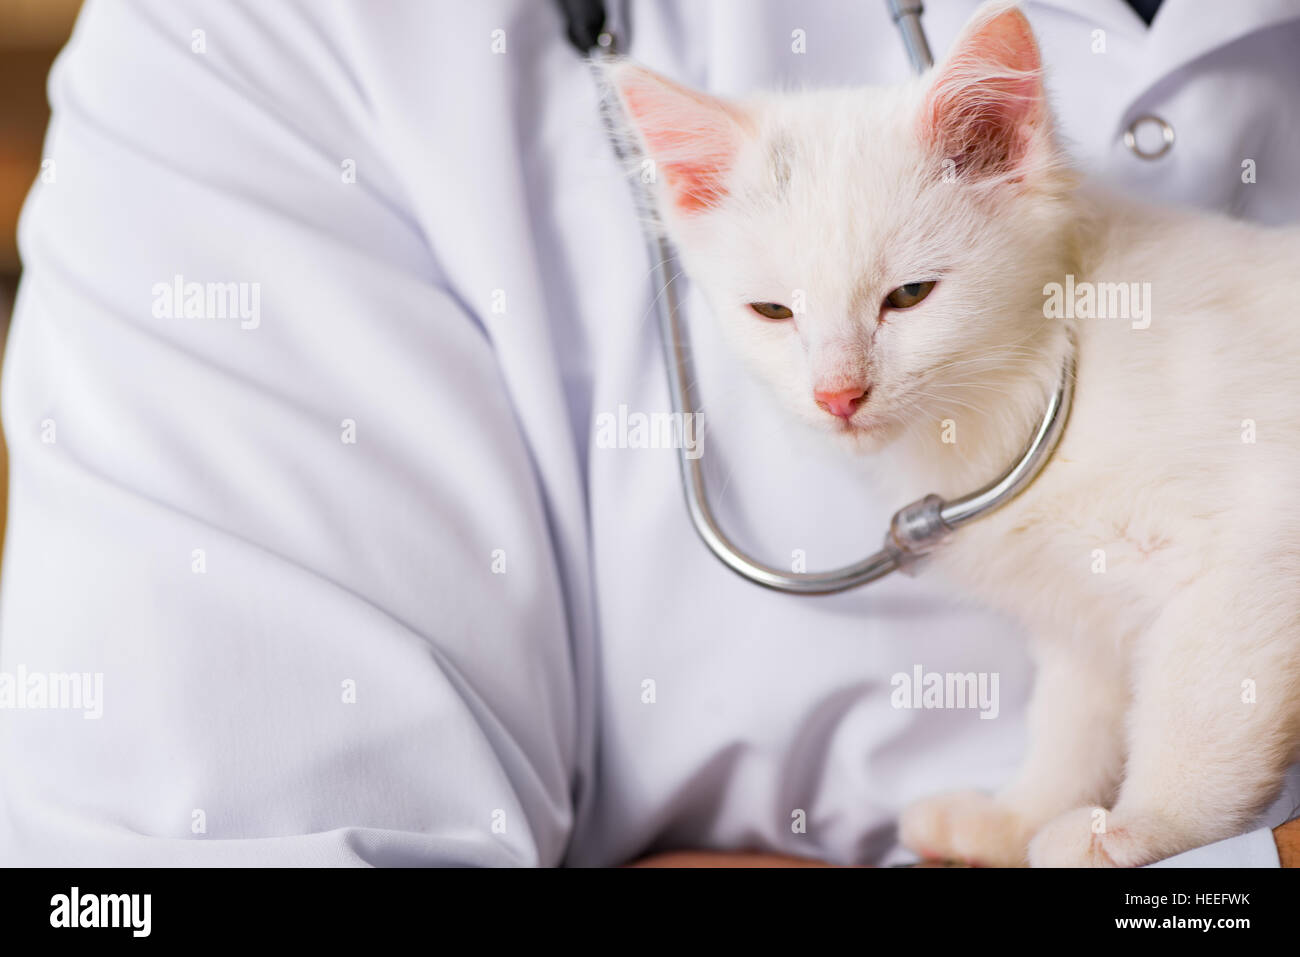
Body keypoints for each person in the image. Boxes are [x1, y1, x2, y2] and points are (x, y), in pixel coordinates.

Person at [2, 0, 1297, 866]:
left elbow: (1243, 566)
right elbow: (172, 848)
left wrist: (1159, 832)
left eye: (903, 301)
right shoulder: (247, 42)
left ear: (1005, 152)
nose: (834, 386)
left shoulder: (1149, 315)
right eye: (778, 313)